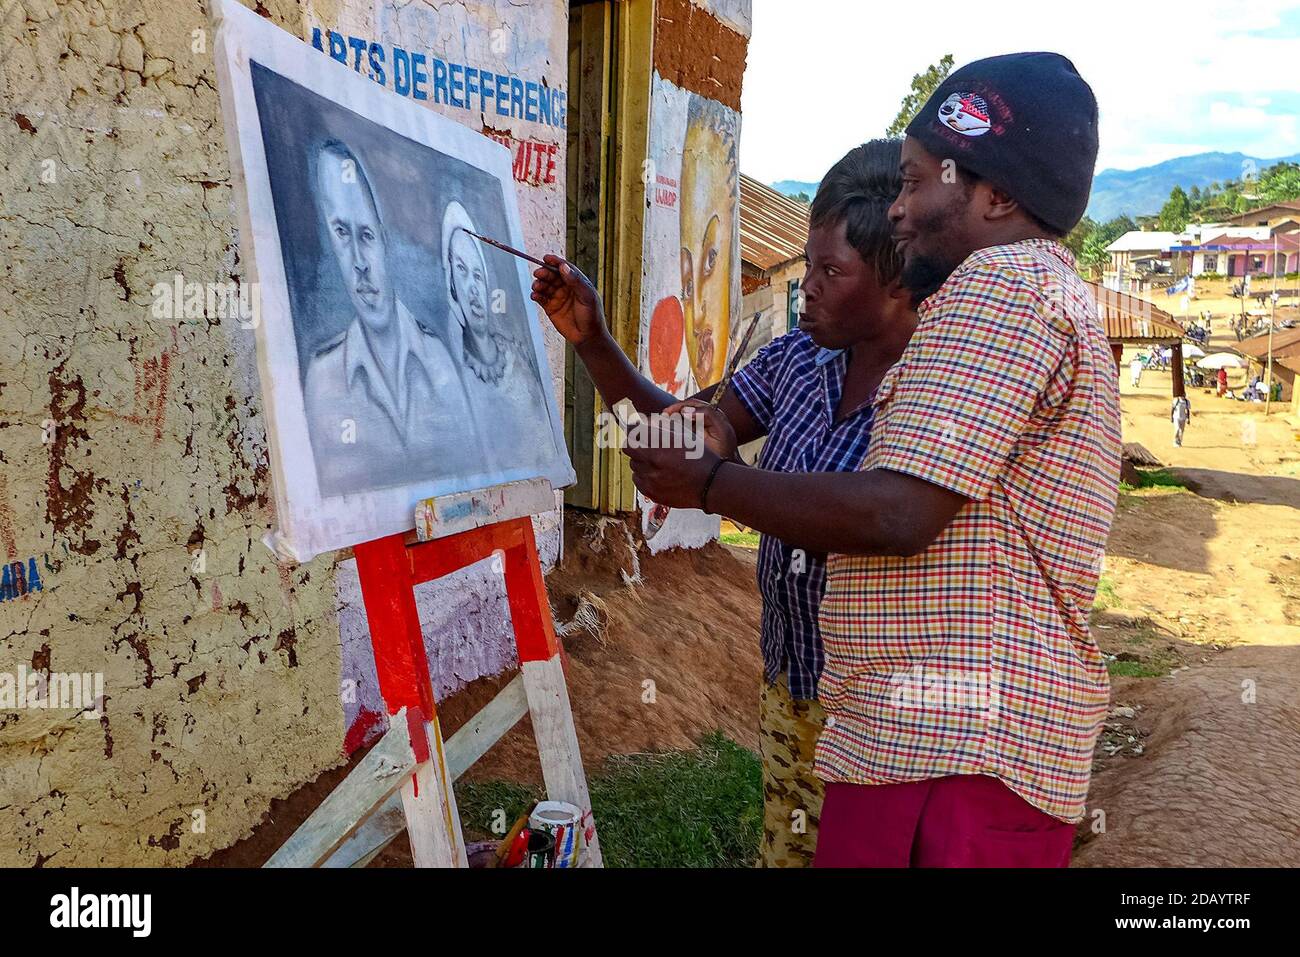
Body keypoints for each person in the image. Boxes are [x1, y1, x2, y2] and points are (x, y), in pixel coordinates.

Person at [623, 52, 1121, 867]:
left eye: (917, 183)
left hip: (952, 751)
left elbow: (897, 513)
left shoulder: (1001, 288)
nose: (898, 211)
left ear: (995, 195)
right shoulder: (1044, 293)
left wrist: (711, 484)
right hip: (945, 746)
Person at [529, 141, 918, 867]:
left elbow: (874, 516)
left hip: (879, 712)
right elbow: (685, 429)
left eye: (833, 273)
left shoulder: (928, 385)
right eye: (810, 264)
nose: (809, 288)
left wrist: (715, 484)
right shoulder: (799, 357)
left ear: (897, 282)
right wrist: (594, 342)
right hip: (790, 688)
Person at [302, 139, 478, 496]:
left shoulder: (438, 360)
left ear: (385, 241)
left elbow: (474, 486)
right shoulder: (323, 379)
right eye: (341, 234)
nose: (359, 262)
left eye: (366, 235)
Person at [440, 201, 550, 475]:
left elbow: (542, 451)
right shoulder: (445, 372)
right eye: (462, 271)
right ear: (451, 284)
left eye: (478, 274)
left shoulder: (520, 359)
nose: (472, 288)